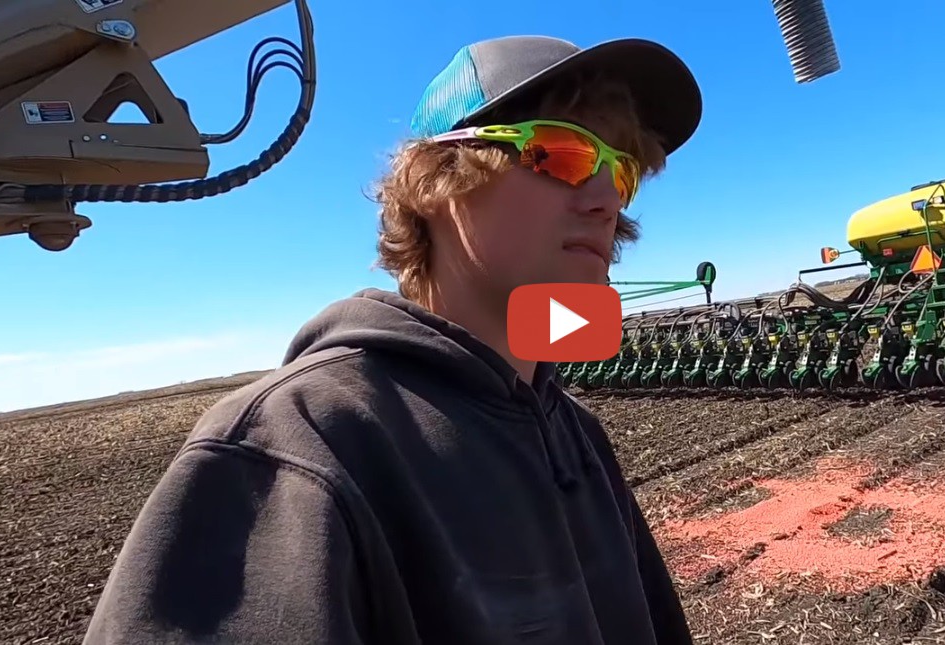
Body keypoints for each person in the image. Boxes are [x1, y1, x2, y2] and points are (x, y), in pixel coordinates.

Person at [83, 34, 703, 644]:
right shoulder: (298, 446)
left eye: (621, 172)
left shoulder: (574, 430)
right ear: (437, 182)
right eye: (561, 154)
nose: (606, 200)